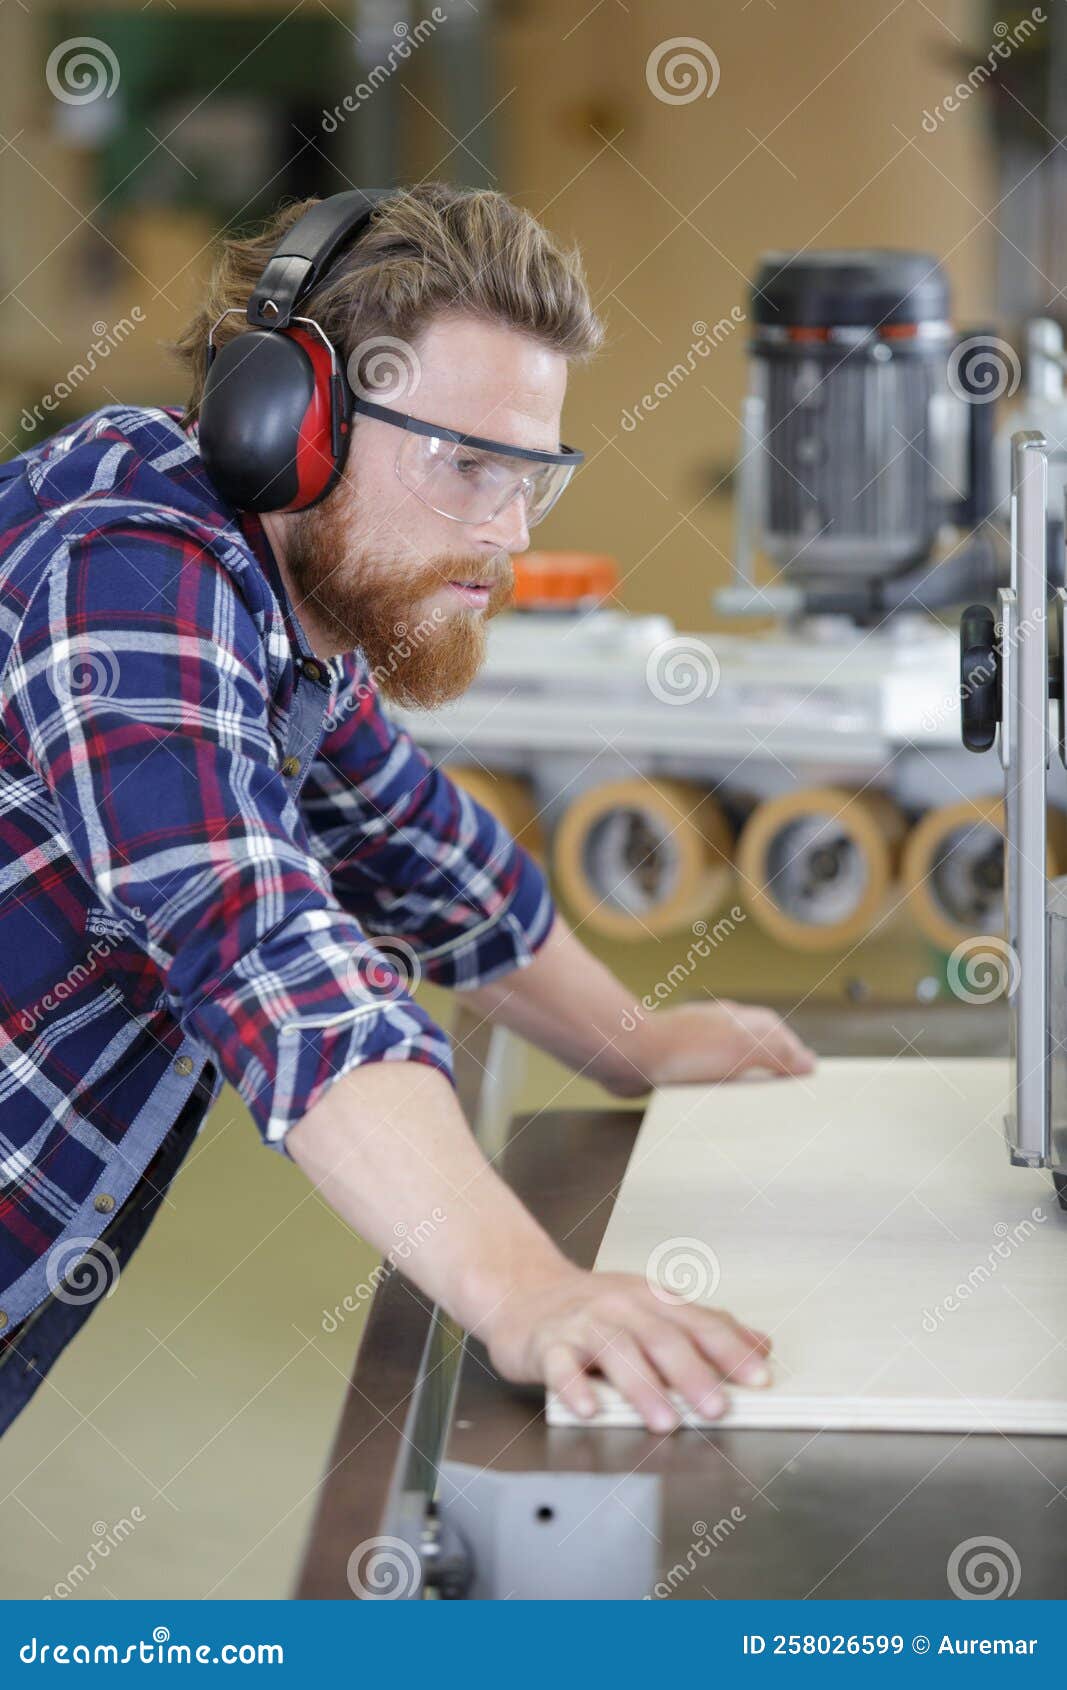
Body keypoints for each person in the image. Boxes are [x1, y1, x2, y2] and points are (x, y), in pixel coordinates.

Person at [0, 182, 813, 1441]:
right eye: (464, 466)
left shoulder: (285, 604)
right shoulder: (122, 566)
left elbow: (418, 842)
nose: (504, 536)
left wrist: (629, 1040)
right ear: (287, 420)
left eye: (529, 476)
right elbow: (258, 943)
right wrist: (524, 1288)